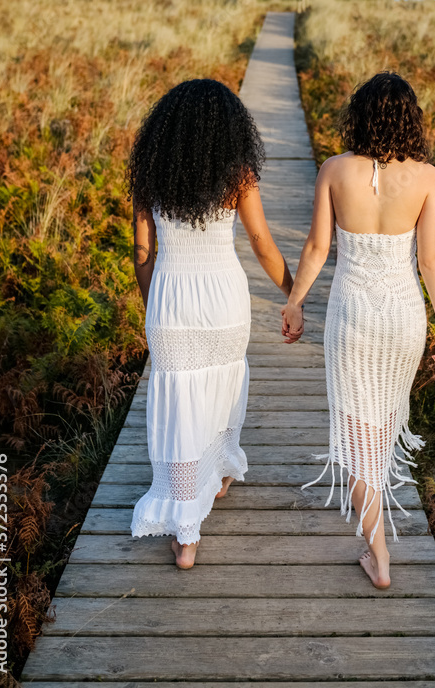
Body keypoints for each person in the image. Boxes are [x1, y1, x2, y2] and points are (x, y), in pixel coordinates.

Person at [281, 71, 435, 589]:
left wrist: (294, 303)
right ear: (411, 120)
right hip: (403, 316)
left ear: (359, 115)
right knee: (378, 429)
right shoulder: (427, 178)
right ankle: (375, 537)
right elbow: (432, 259)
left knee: (357, 433)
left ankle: (378, 556)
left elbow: (316, 249)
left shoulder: (335, 170)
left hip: (353, 315)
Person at [127, 78, 292, 569]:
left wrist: (153, 300)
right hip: (223, 300)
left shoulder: (149, 172)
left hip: (172, 299)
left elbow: (142, 253)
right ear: (229, 128)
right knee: (222, 386)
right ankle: (218, 473)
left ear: (166, 126)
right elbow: (262, 243)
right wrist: (294, 294)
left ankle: (186, 534)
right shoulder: (237, 174)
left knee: (179, 403)